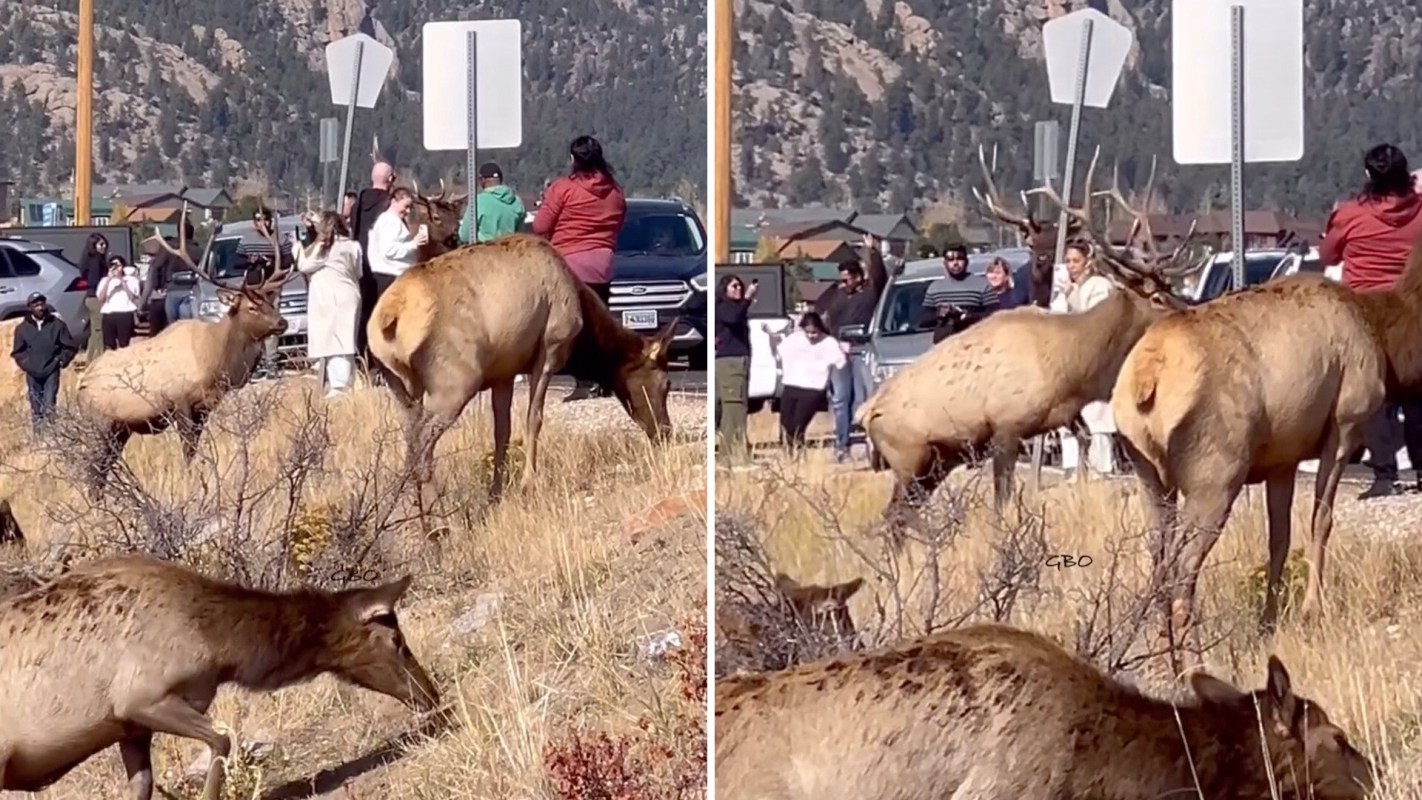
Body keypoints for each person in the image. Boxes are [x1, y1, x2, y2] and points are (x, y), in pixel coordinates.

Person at [1320, 143, 1422, 497]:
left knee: (1372, 394)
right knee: (1417, 395)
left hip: (1364, 313)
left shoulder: (1351, 215)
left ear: (1368, 176)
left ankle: (1384, 475)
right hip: (1413, 310)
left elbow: (1328, 254)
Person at [532, 135, 629, 402]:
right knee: (600, 327)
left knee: (573, 328)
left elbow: (541, 226)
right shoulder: (615, 192)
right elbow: (619, 223)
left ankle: (585, 382)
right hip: (603, 264)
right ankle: (606, 381)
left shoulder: (564, 189)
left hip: (569, 265)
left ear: (574, 160)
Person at [812, 234, 891, 462]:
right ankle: (842, 444)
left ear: (858, 278)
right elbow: (824, 319)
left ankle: (870, 442)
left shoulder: (869, 293)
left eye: (847, 280)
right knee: (840, 400)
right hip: (839, 353)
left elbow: (879, 276)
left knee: (865, 398)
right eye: (841, 280)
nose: (843, 284)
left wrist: (871, 252)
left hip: (863, 349)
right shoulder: (836, 297)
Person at [1057, 242, 1118, 477]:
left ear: (1088, 262)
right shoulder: (1067, 288)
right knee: (1067, 418)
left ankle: (1101, 470)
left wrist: (1073, 297)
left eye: (1076, 261)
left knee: (1097, 417)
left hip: (1096, 362)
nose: (1071, 266)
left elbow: (1096, 323)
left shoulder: (1099, 286)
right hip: (1070, 361)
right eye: (1068, 261)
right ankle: (1072, 470)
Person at [296, 211, 364, 398]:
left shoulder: (325, 248)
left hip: (330, 298)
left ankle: (339, 386)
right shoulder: (353, 246)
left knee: (334, 341)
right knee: (347, 340)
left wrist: (299, 247)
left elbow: (304, 265)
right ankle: (348, 381)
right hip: (350, 294)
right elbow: (359, 272)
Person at [770, 311, 845, 456]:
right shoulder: (794, 339)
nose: (811, 336)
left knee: (799, 424)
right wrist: (772, 342)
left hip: (813, 389)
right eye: (808, 332)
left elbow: (840, 362)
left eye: (814, 333)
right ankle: (792, 452)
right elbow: (779, 353)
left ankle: (799, 453)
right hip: (792, 385)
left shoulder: (828, 342)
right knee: (786, 422)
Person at [10, 292, 77, 433]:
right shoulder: (22, 329)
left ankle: (51, 437)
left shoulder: (57, 325)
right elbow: (18, 352)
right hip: (32, 372)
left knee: (49, 404)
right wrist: (27, 364)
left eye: (42, 304)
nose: (40, 308)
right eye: (36, 305)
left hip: (51, 370)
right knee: (35, 405)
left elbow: (70, 347)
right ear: (29, 308)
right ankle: (38, 436)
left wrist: (60, 360)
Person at [352, 160, 396, 362]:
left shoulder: (358, 205)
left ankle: (363, 359)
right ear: (391, 179)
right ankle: (382, 361)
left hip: (361, 267)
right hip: (384, 268)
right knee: (384, 315)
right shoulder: (390, 205)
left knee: (364, 314)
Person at [716, 274, 757, 463]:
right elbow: (733, 318)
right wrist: (748, 298)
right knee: (734, 407)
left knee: (734, 407)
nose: (739, 289)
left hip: (736, 360)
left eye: (740, 286)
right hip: (730, 361)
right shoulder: (723, 307)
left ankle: (733, 452)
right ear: (724, 289)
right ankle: (733, 454)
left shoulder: (734, 308)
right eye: (734, 286)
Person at [923, 243, 998, 345]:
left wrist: (970, 316)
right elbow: (923, 320)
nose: (955, 263)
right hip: (943, 345)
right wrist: (939, 314)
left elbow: (995, 315)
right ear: (945, 263)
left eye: (959, 259)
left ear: (966, 262)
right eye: (950, 259)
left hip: (975, 342)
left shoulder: (982, 285)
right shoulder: (934, 288)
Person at [140, 216, 200, 335]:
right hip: (191, 291)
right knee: (187, 327)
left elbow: (155, 268)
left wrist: (157, 286)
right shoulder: (199, 251)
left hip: (172, 291)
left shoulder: (169, 248)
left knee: (172, 328)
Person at [367, 187, 428, 303]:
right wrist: (414, 244)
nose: (408, 211)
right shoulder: (391, 221)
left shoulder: (389, 220)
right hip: (391, 277)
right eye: (406, 206)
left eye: (410, 207)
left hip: (389, 275)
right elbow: (389, 251)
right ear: (393, 202)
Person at [460, 162, 527, 244]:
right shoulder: (517, 202)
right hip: (510, 252)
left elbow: (465, 236)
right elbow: (521, 235)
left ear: (482, 180)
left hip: (485, 253)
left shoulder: (478, 201)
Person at [96, 254, 141, 352]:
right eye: (113, 265)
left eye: (118, 265)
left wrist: (123, 282)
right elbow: (101, 298)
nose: (116, 268)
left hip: (125, 313)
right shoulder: (104, 280)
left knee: (124, 344)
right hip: (109, 313)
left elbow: (132, 297)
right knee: (109, 345)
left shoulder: (131, 280)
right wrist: (109, 279)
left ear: (123, 266)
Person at [79, 233, 109, 364]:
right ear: (93, 245)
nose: (104, 247)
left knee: (94, 330)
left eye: (105, 244)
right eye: (101, 244)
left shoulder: (87, 259)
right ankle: (97, 358)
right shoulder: (96, 260)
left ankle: (90, 358)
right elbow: (95, 281)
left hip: (90, 298)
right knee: (99, 330)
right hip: (96, 297)